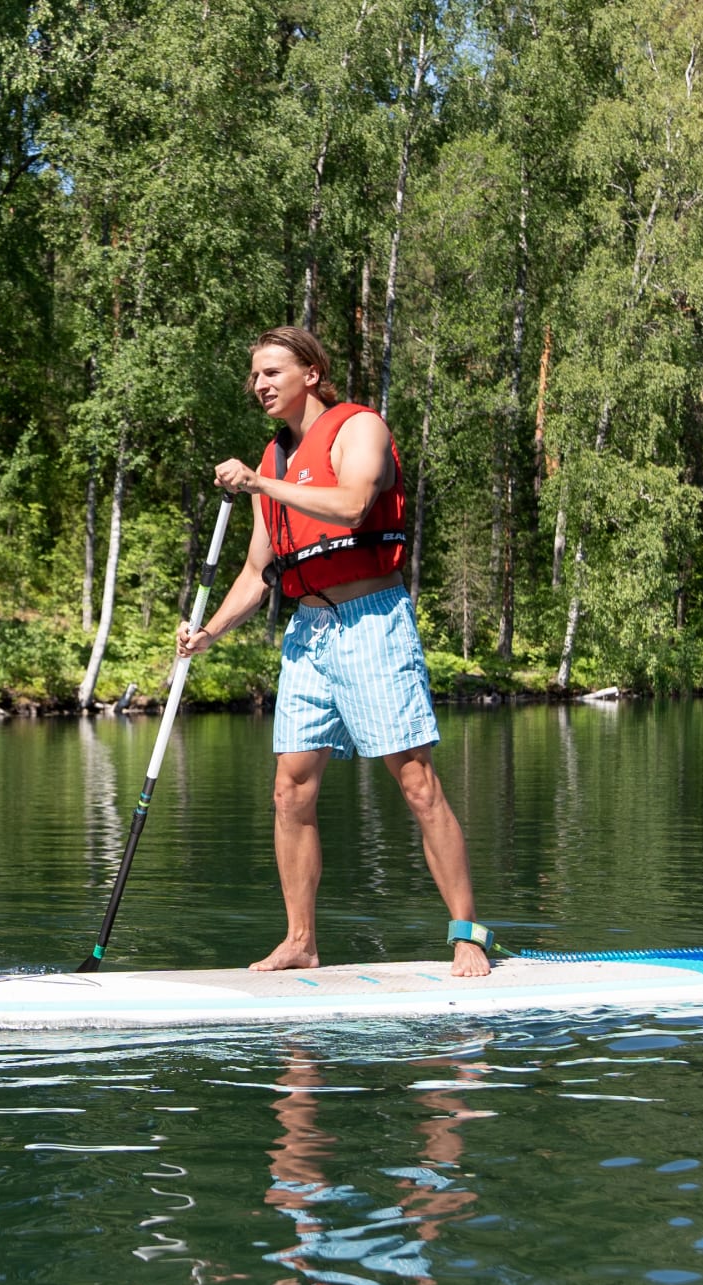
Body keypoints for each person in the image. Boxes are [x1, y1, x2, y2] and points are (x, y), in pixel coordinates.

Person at [176, 326, 491, 977]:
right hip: (309, 633)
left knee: (415, 782)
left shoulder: (360, 426)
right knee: (290, 790)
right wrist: (210, 634)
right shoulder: (274, 457)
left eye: (272, 372)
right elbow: (257, 572)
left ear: (312, 372)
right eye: (255, 375)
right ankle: (300, 941)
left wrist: (262, 487)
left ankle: (468, 936)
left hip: (372, 621)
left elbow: (351, 506)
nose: (259, 384)